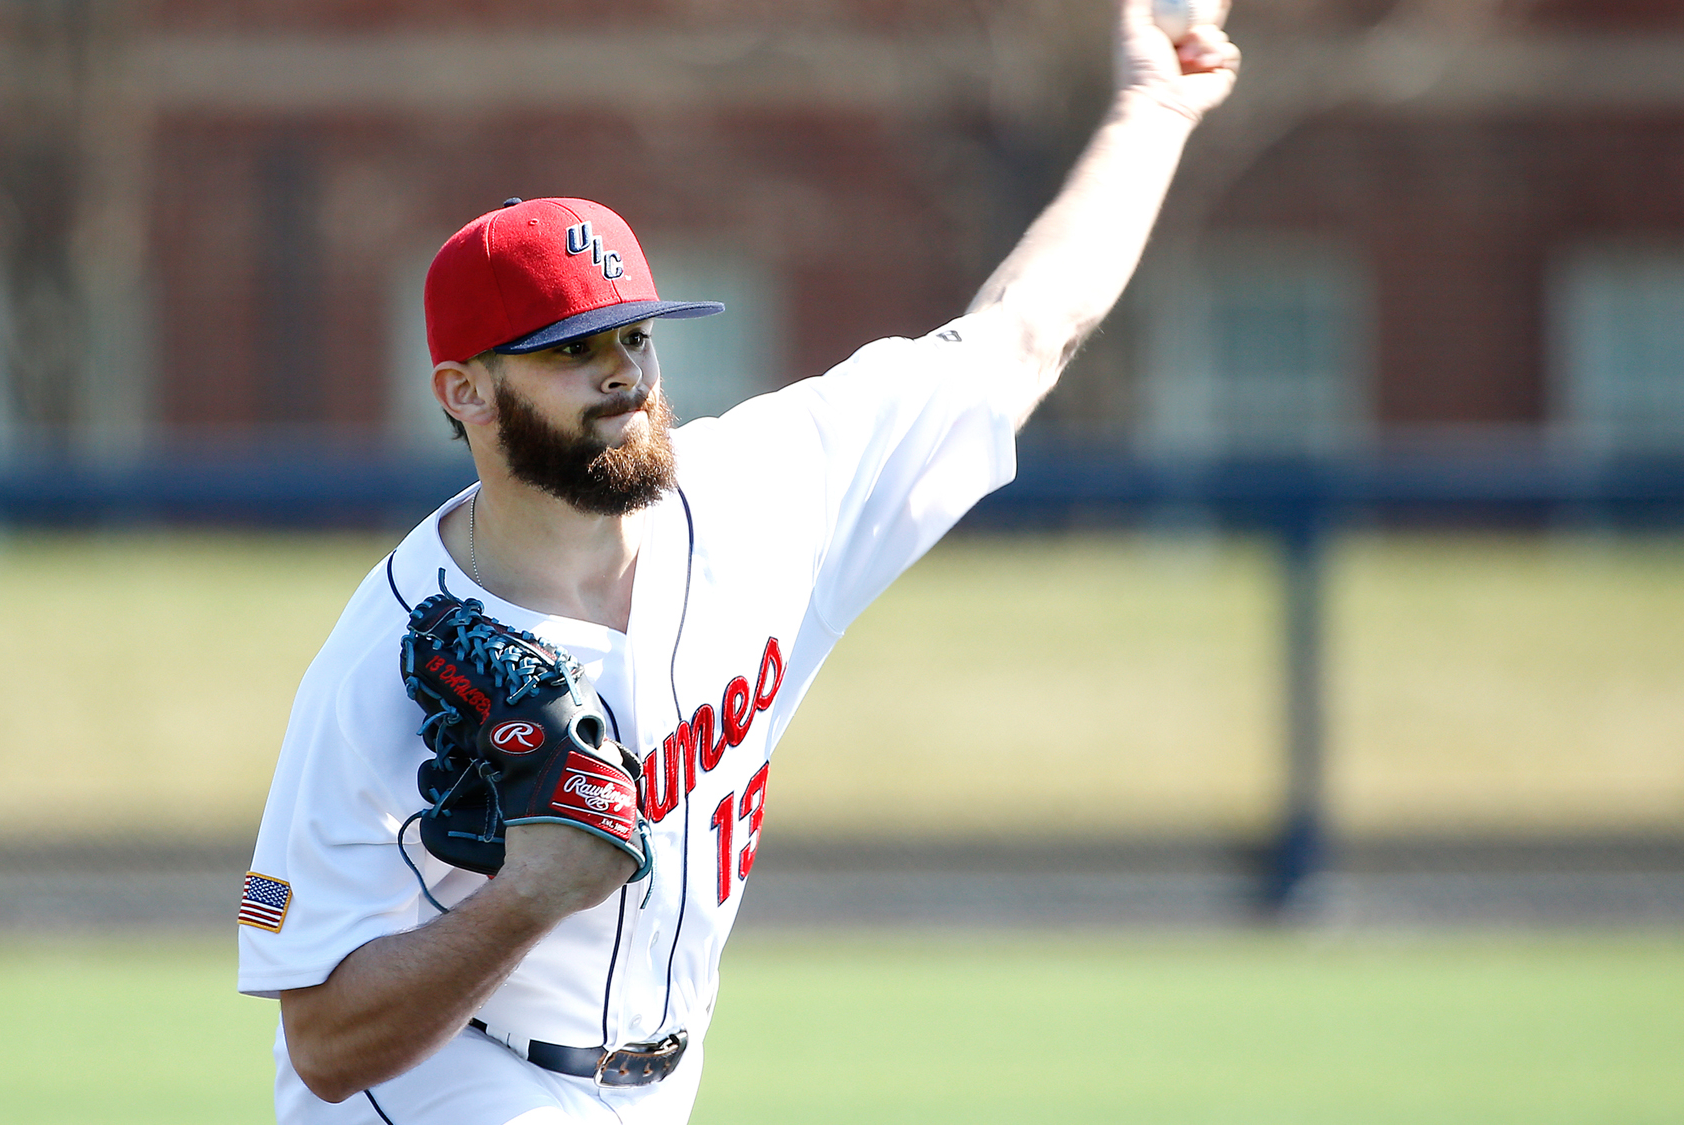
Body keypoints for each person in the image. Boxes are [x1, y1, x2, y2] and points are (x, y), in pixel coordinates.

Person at [237, 3, 1239, 1121]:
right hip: (449, 1084)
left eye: (633, 334)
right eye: (570, 351)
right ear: (463, 392)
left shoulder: (765, 493)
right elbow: (323, 1042)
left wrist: (1151, 111)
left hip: (664, 1079)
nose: (622, 372)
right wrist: (526, 898)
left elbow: (1024, 329)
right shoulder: (380, 661)